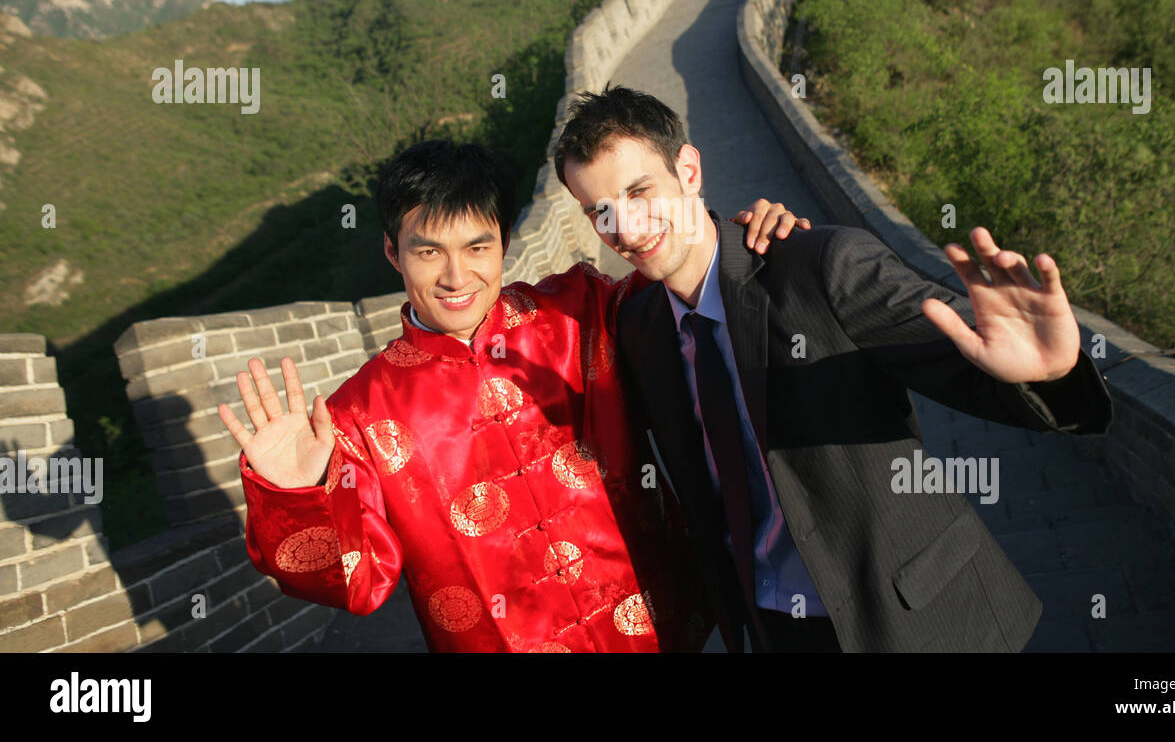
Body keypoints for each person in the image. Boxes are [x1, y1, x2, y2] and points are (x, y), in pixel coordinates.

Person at [554, 84, 1115, 653]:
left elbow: (970, 365)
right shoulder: (640, 329)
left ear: (689, 171)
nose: (625, 229)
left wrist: (1051, 373)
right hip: (778, 627)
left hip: (915, 621)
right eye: (599, 210)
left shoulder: (819, 266)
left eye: (640, 191)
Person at [218, 138, 806, 652]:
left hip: (665, 632)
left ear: (504, 243)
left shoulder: (579, 310)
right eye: (428, 252)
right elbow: (358, 581)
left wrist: (738, 239)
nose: (456, 277)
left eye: (478, 248)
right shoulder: (357, 415)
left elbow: (684, 288)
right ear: (393, 253)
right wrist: (298, 498)